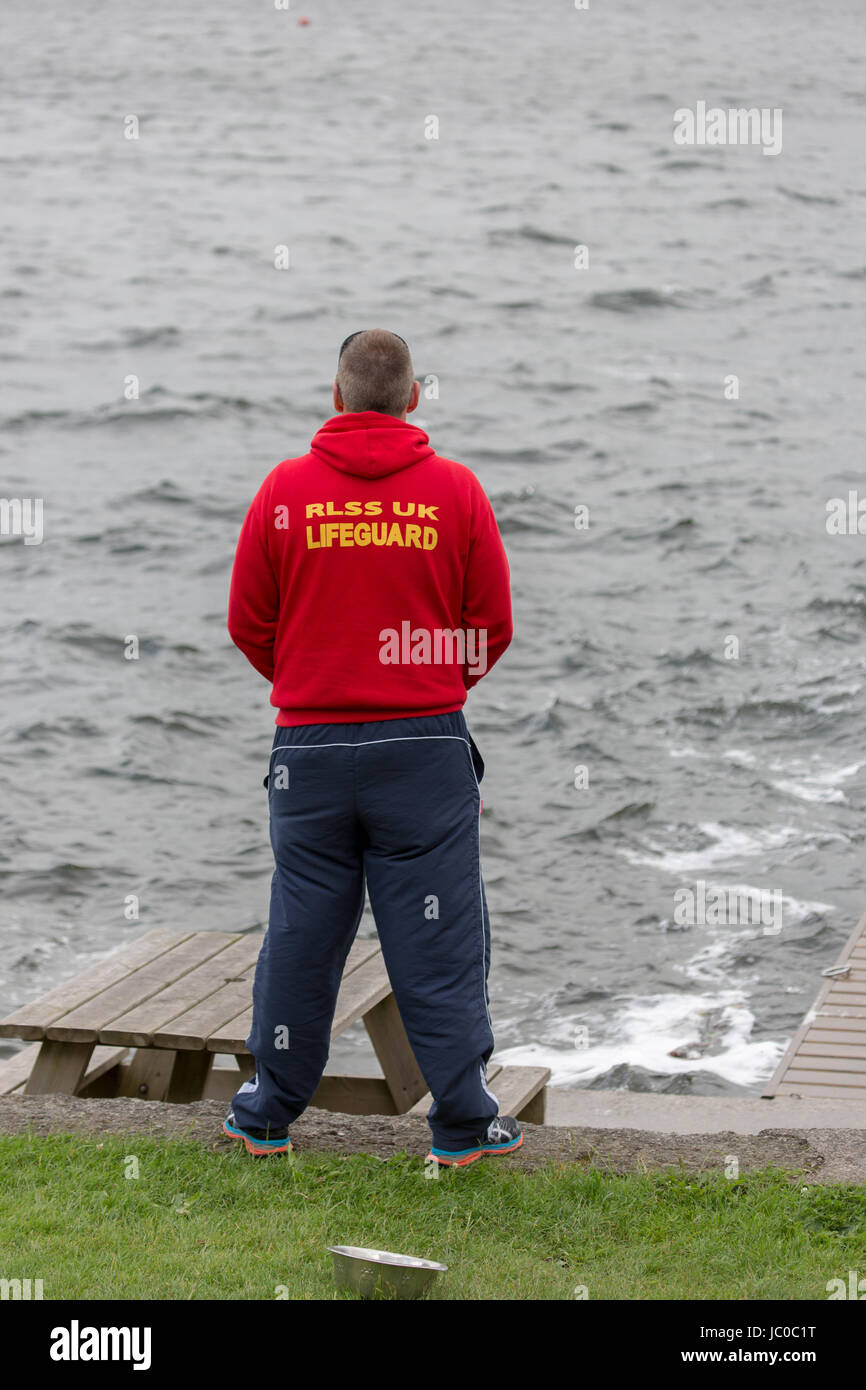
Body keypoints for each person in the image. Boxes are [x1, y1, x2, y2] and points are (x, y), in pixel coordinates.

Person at [223, 328, 518, 1168]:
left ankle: (267, 1115)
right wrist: (424, 684)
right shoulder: (455, 491)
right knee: (439, 937)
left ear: (337, 393)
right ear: (415, 396)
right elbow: (489, 627)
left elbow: (249, 620)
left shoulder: (285, 490)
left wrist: (317, 677)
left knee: (303, 934)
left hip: (309, 749)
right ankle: (461, 1122)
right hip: (421, 748)